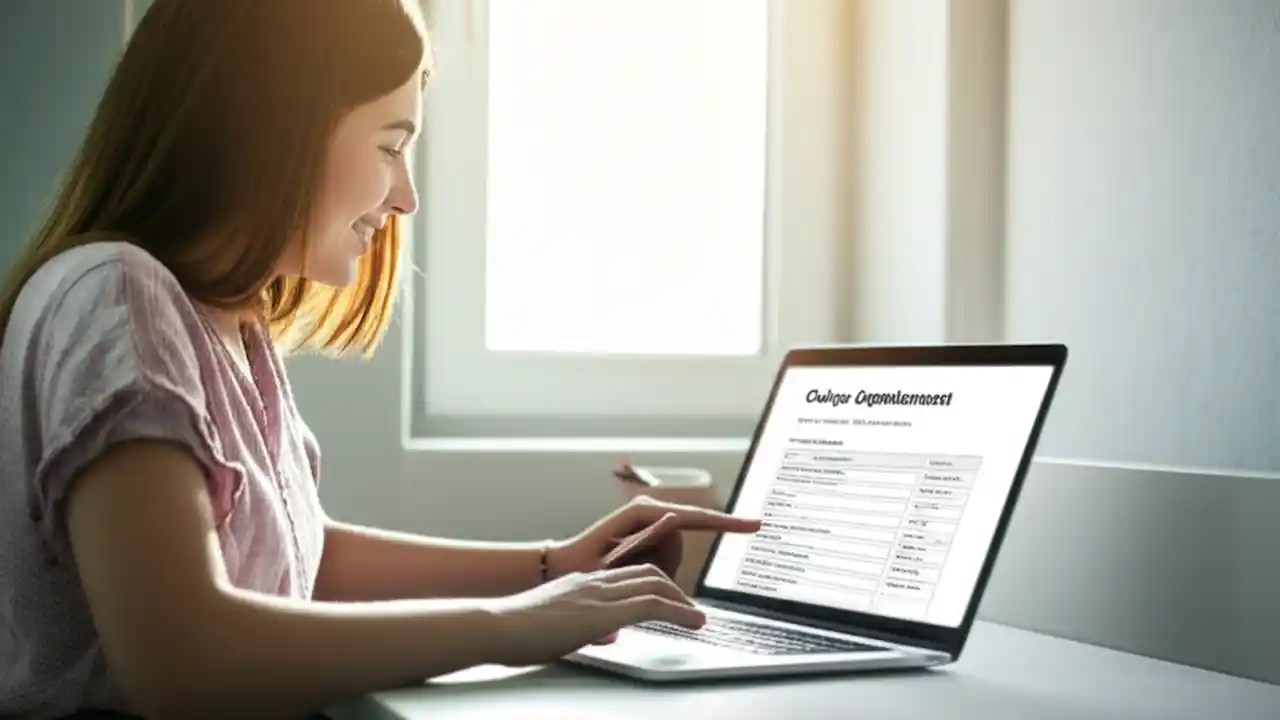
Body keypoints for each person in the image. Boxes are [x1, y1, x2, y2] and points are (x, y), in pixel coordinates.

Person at [0, 1, 761, 717]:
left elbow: (305, 556)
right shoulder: (116, 298)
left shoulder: (225, 320)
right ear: (275, 128)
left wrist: (551, 566)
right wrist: (510, 624)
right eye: (391, 146)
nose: (405, 198)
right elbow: (181, 661)